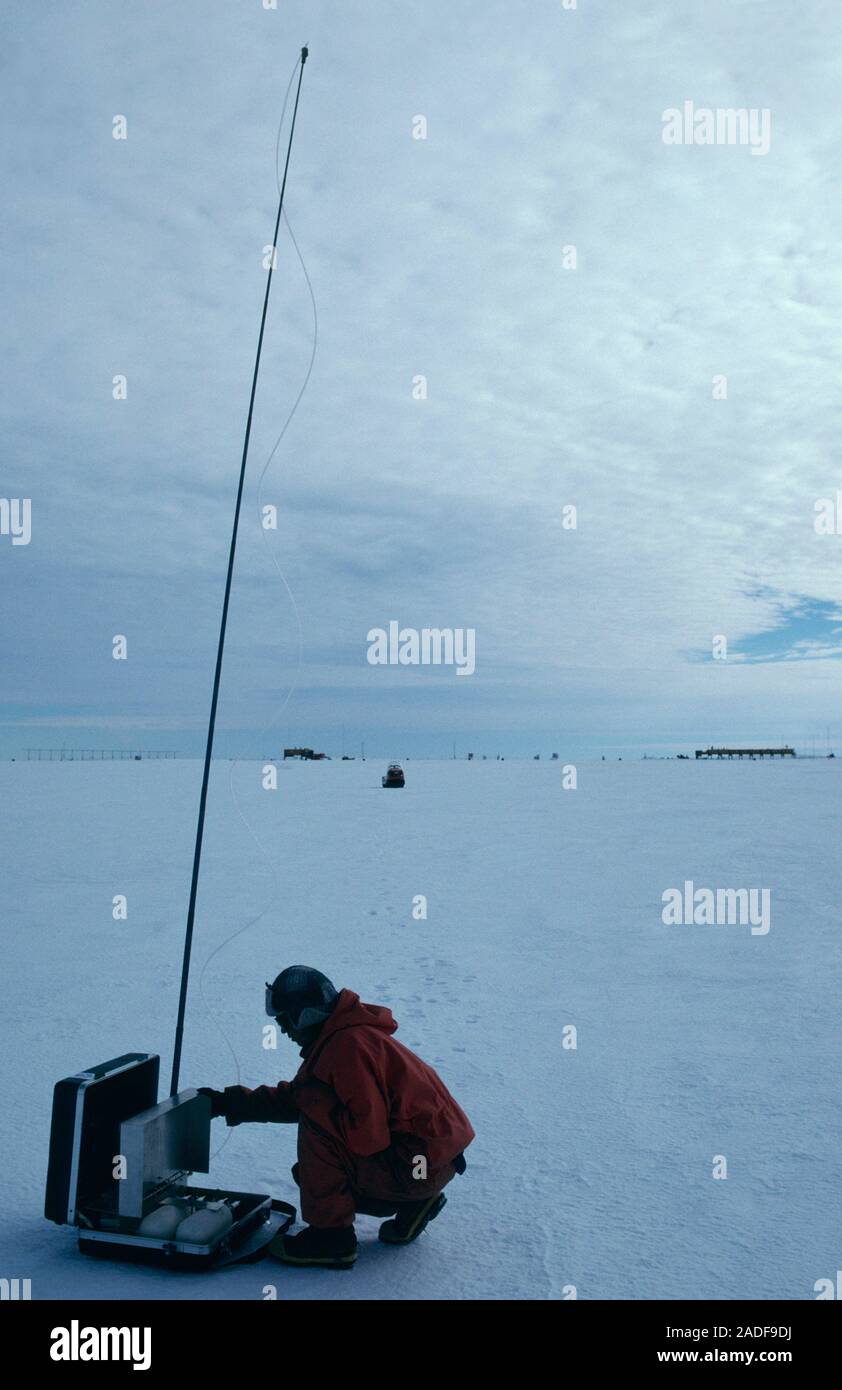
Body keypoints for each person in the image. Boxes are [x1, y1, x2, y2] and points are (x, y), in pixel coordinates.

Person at [200, 965, 475, 1269]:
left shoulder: (345, 1049)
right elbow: (298, 1097)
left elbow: (368, 1137)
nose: (283, 1030)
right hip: (430, 1164)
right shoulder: (349, 1036)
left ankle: (331, 1240)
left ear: (303, 1016)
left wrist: (314, 1110)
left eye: (283, 1020)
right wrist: (231, 1103)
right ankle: (417, 1202)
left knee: (317, 1132)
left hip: (416, 1168)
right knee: (312, 1147)